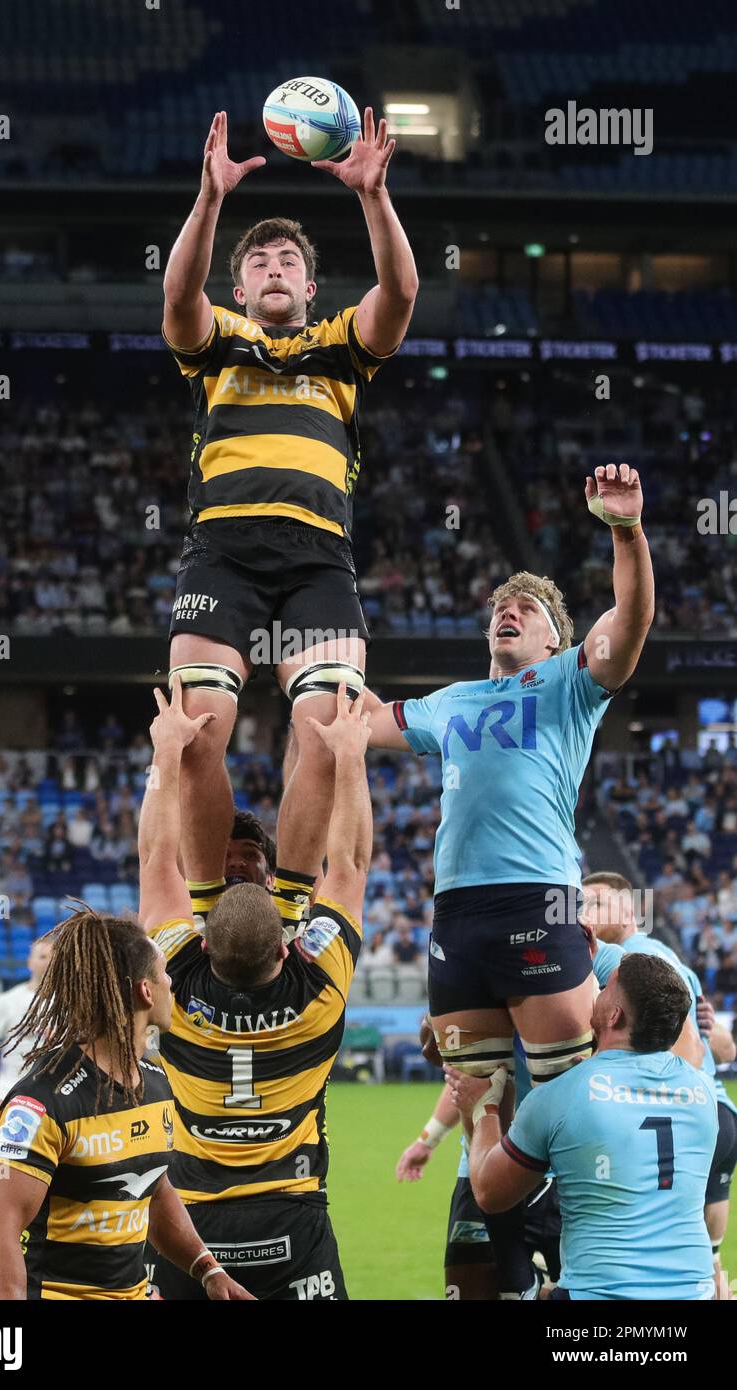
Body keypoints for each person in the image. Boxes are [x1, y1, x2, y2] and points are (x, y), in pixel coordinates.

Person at [360, 464, 654, 1296]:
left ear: (554, 640)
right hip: (454, 916)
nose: (507, 611)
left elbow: (628, 625)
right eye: (499, 606)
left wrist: (625, 531)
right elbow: (356, 723)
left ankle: (593, 1271)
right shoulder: (450, 702)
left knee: (565, 1106)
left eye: (525, 609)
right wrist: (312, 666)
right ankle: (520, 1280)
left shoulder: (565, 685)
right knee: (484, 1109)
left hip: (536, 898)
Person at [161, 107, 416, 938]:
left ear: (310, 289)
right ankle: (209, 921)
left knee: (330, 728)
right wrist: (208, 203)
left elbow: (403, 292)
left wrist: (374, 197)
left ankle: (293, 910)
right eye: (261, 261)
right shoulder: (218, 342)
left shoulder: (341, 348)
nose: (275, 268)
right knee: (197, 730)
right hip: (223, 554)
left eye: (290, 262)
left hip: (318, 563)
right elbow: (178, 295)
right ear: (242, 291)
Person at [138, 679, 371, 1300]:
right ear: (286, 945)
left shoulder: (174, 989)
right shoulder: (319, 995)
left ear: (204, 940)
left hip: (191, 1226)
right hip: (293, 1219)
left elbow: (158, 862)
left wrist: (167, 753)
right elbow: (347, 866)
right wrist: (350, 756)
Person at [0, 907, 252, 1301]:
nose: (171, 982)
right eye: (164, 973)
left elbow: (152, 1189)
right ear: (145, 990)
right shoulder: (41, 1103)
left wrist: (208, 1269)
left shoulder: (156, 1084)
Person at [448, 952, 719, 1300]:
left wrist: (481, 1109)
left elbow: (489, 1193)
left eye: (605, 987)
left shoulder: (564, 1093)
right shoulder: (702, 1091)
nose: (597, 990)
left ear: (615, 1015)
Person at [396, 927, 626, 1299]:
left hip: (560, 1170)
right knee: (471, 1289)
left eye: (599, 904)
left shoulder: (606, 967)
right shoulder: (483, 957)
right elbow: (471, 1078)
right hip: (482, 1157)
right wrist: (429, 1137)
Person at [584, 869, 737, 1299]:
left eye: (596, 902)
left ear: (630, 910)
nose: (584, 912)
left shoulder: (635, 962)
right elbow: (717, 1048)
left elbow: (688, 1053)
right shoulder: (658, 957)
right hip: (712, 1111)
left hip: (676, 1114)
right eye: (581, 903)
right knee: (702, 1263)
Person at [0, 937, 53, 1102]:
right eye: (43, 956)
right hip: (10, 1092)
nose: (49, 961)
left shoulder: (71, 1003)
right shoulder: (7, 1001)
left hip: (55, 1095)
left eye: (54, 957)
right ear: (30, 963)